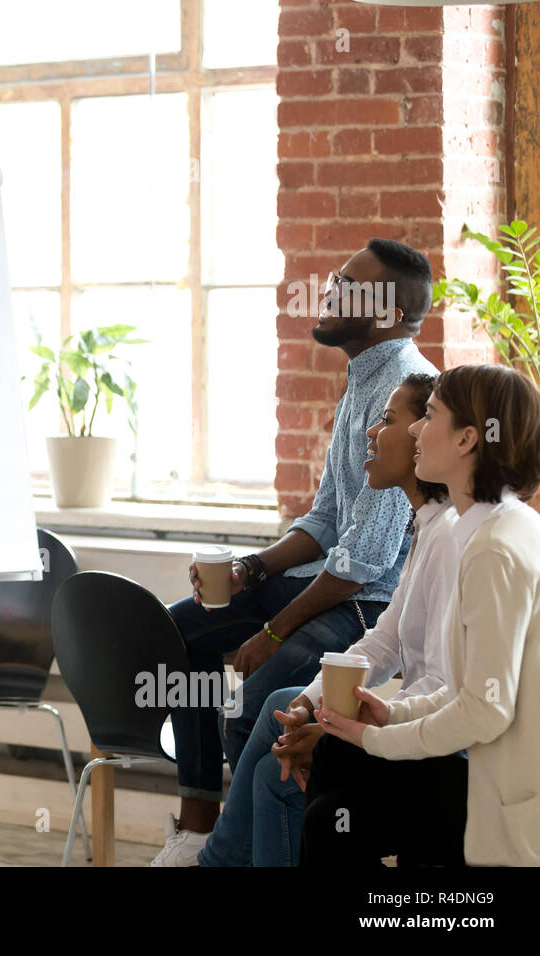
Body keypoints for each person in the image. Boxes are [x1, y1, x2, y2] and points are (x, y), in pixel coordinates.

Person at [153, 238, 438, 866]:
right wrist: (250, 569)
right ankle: (199, 820)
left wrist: (274, 634)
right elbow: (326, 519)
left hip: (361, 603)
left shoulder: (404, 390)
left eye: (347, 283)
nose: (329, 289)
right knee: (178, 631)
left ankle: (249, 850)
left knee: (253, 710)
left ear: (386, 312)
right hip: (328, 579)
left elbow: (363, 559)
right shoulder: (363, 377)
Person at [198, 373, 456, 866]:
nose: (371, 433)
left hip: (442, 751)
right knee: (279, 705)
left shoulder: (453, 537)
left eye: (388, 420)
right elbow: (384, 643)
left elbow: (452, 688)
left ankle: (217, 862)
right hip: (414, 726)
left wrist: (351, 730)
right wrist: (307, 702)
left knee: (282, 774)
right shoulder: (428, 527)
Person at [303, 364, 540, 867]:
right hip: (488, 775)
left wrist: (379, 738)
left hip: (505, 800)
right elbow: (468, 688)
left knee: (335, 788)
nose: (414, 427)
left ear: (467, 441)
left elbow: (486, 709)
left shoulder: (492, 549)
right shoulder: (493, 528)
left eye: (429, 415)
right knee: (334, 806)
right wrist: (393, 713)